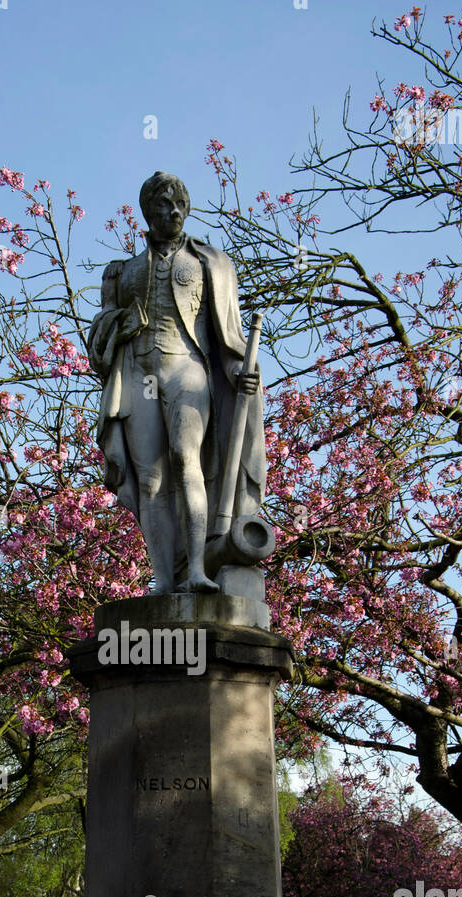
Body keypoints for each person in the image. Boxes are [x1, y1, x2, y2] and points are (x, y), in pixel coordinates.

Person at [88, 171, 265, 595]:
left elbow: (226, 332)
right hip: (138, 376)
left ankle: (199, 570)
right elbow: (98, 340)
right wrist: (120, 323)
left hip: (188, 368)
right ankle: (165, 579)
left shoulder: (210, 263)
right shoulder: (121, 272)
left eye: (180, 205)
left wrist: (237, 371)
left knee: (187, 461)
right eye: (164, 206)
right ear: (148, 212)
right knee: (151, 480)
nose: (173, 212)